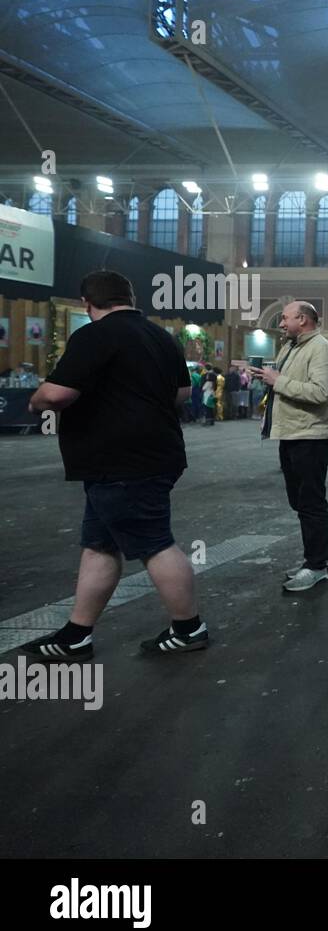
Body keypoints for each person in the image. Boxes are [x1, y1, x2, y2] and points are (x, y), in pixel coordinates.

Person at [21, 269, 209, 661]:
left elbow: (57, 393)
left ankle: (189, 628)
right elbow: (183, 392)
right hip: (153, 453)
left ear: (87, 303)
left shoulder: (94, 334)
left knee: (155, 544)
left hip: (121, 460)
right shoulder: (162, 336)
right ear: (130, 297)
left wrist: (37, 400)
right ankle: (77, 635)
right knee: (100, 545)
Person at [251, 301, 328, 592]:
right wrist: (269, 379)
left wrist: (278, 380)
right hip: (291, 432)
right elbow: (286, 384)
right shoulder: (291, 347)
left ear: (302, 319)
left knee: (310, 501)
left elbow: (320, 392)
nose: (280, 324)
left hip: (310, 434)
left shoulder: (321, 348)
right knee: (299, 500)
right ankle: (321, 556)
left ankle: (316, 566)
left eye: (284, 318)